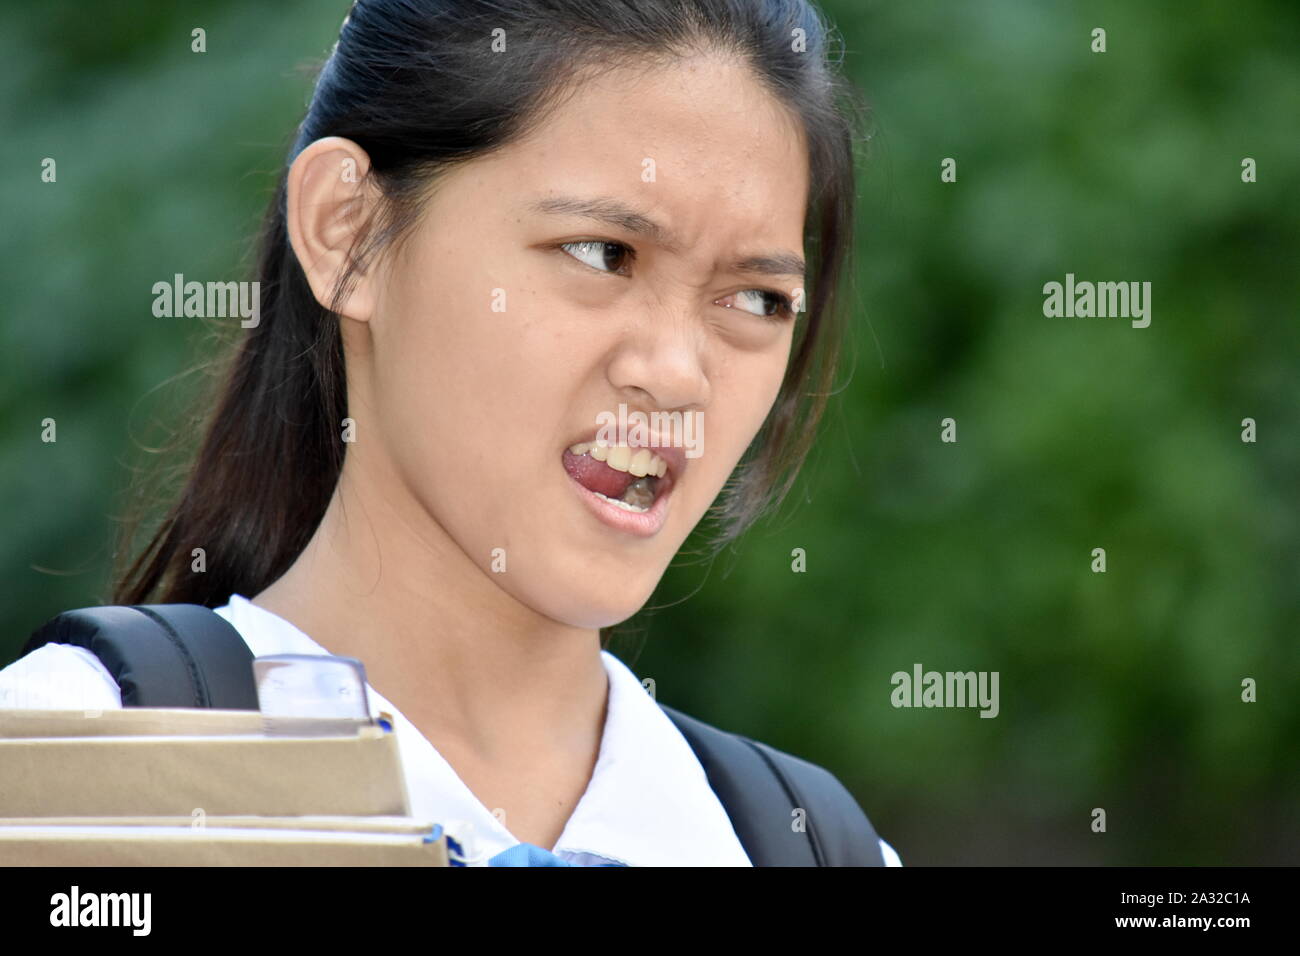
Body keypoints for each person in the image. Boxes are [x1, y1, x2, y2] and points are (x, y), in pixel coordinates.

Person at [0, 0, 899, 866]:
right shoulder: (68, 772)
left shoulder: (802, 845)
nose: (676, 372)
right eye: (600, 253)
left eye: (755, 299)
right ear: (346, 229)